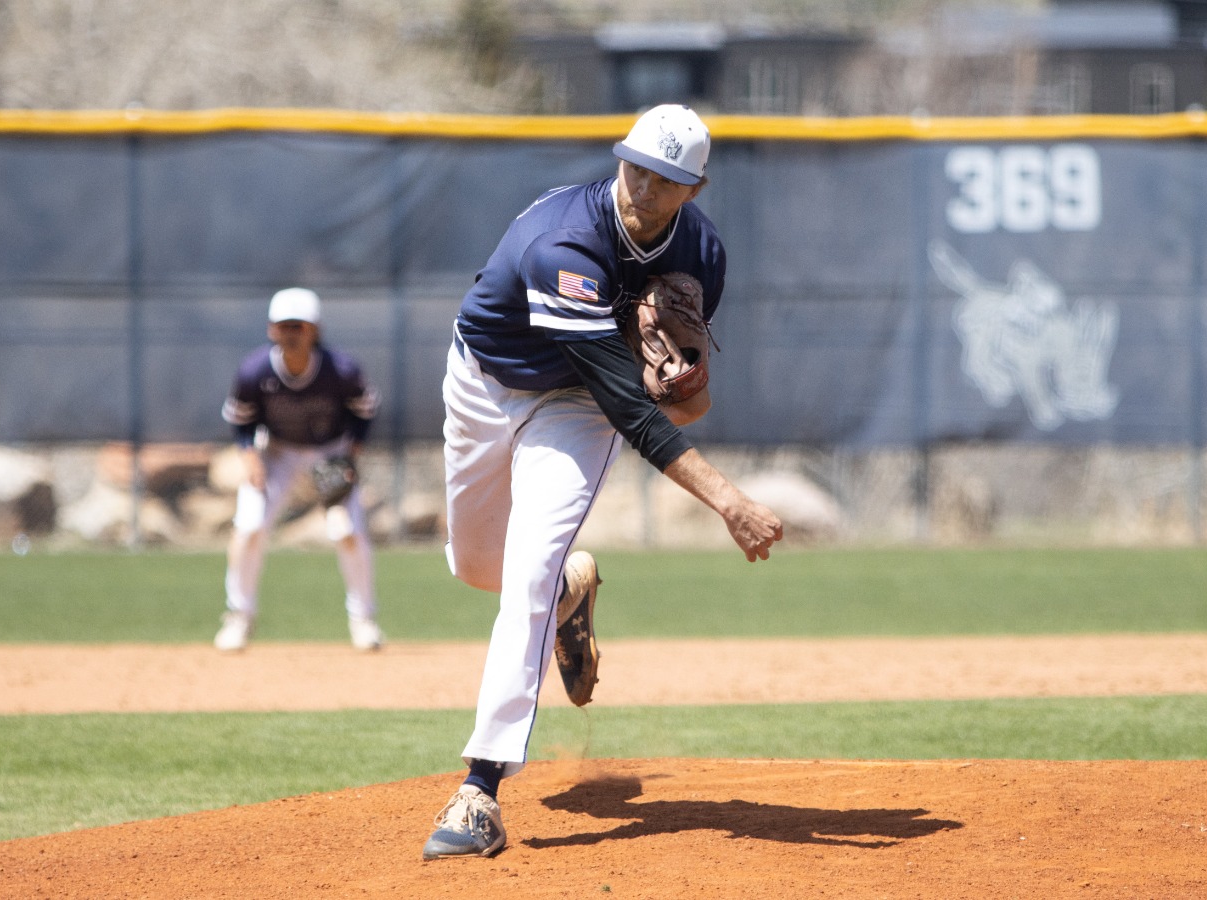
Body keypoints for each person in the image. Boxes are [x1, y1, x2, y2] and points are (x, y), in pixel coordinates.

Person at [421, 105, 784, 860]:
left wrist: (682, 378)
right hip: (489, 383)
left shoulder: (703, 251)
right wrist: (731, 500)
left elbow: (678, 401)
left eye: (666, 179)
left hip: (576, 409)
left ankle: (479, 791)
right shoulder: (566, 242)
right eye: (635, 165)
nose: (643, 186)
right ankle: (572, 596)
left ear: (695, 187)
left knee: (526, 575)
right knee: (475, 568)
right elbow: (635, 407)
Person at [213, 287, 385, 653]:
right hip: (277, 451)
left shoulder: (341, 370)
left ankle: (363, 619)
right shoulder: (254, 371)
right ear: (271, 330)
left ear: (314, 330)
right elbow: (241, 422)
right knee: (249, 527)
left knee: (347, 531)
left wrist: (351, 456)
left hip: (330, 452)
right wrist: (249, 457)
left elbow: (364, 412)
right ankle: (239, 616)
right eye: (283, 326)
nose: (291, 333)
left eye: (299, 326)